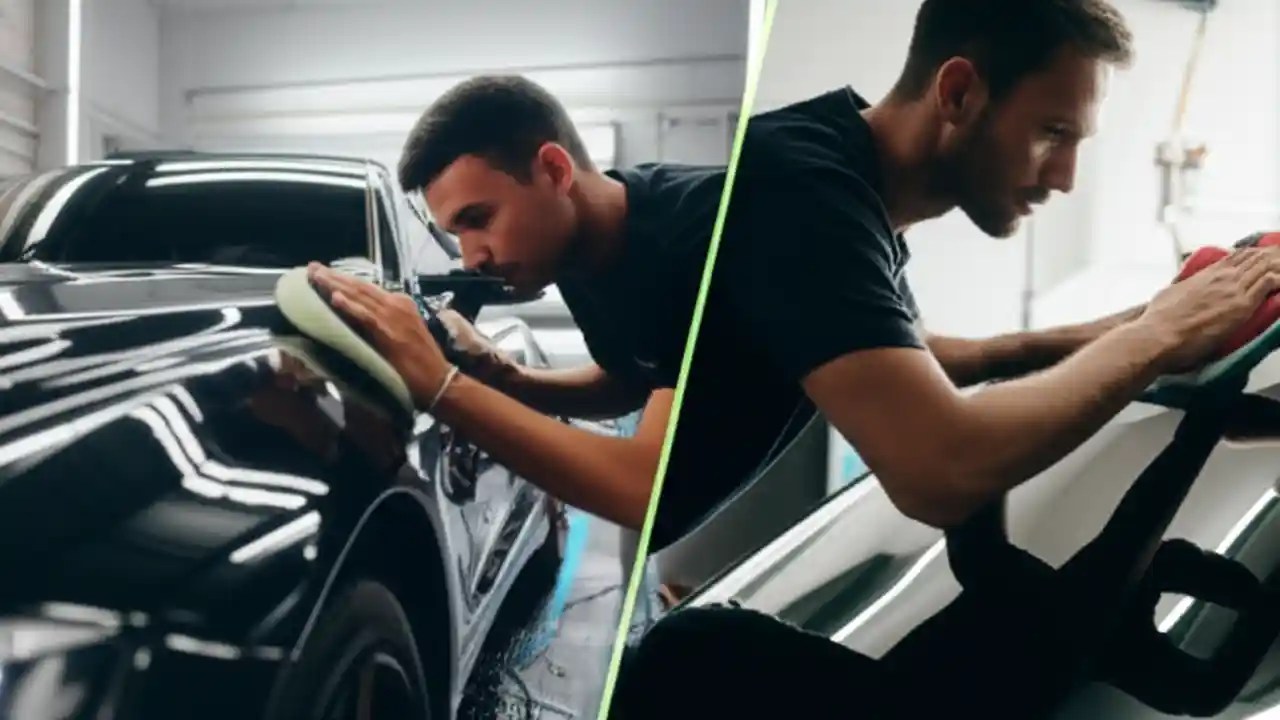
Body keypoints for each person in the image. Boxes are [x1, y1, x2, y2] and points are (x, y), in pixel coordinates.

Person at [605, 0, 1280, 716]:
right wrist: (1157, 339)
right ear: (957, 93)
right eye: (1053, 133)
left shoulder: (843, 182)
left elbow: (898, 353)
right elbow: (939, 470)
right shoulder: (802, 193)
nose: (1065, 178)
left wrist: (1135, 325)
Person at [305, 74, 727, 535]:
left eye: (479, 219)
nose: (472, 257)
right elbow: (634, 378)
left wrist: (441, 386)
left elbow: (648, 489)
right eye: (456, 234)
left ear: (555, 171)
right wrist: (504, 377)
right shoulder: (581, 250)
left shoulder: (696, 240)